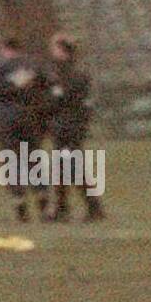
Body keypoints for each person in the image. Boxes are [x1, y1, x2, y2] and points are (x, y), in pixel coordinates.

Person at [44, 33, 102, 222]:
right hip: (65, 127)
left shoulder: (70, 76)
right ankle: (63, 208)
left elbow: (63, 102)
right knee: (62, 168)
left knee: (71, 168)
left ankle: (92, 207)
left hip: (68, 128)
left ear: (63, 51)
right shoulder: (64, 73)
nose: (52, 52)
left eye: (55, 48)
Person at [0, 37, 50, 222]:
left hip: (8, 121)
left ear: (5, 49)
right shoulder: (34, 67)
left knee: (11, 162)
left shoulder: (1, 69)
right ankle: (43, 204)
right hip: (30, 118)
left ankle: (20, 207)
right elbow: (45, 87)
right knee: (33, 159)